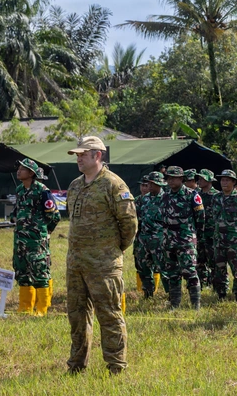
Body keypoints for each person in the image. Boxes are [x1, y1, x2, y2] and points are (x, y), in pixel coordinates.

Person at [64, 136, 138, 374]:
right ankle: (76, 365)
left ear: (97, 155)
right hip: (76, 263)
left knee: (109, 314)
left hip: (104, 264)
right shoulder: (75, 185)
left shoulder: (113, 184)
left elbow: (129, 224)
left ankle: (116, 366)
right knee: (76, 315)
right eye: (77, 155)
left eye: (82, 154)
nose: (78, 159)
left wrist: (112, 250)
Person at [14, 158, 60, 315]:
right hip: (20, 239)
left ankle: (42, 308)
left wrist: (45, 233)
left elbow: (55, 216)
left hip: (36, 240)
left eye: (23, 168)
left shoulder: (42, 190)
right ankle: (25, 308)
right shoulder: (20, 190)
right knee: (22, 272)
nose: (18, 171)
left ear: (31, 173)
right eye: (19, 168)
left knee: (39, 272)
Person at [160, 165, 205, 309]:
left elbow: (200, 218)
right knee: (172, 274)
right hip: (169, 240)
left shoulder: (192, 195)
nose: (171, 181)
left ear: (181, 179)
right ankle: (174, 305)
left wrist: (193, 235)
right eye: (169, 178)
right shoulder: (165, 195)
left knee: (190, 272)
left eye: (174, 178)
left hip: (185, 240)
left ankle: (195, 306)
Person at [213, 170, 237, 302]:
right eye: (222, 180)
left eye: (227, 180)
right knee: (219, 268)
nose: (224, 182)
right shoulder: (216, 198)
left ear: (234, 182)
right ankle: (221, 293)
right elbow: (214, 218)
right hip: (219, 240)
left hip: (235, 241)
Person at [134, 172, 166, 299]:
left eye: (152, 184)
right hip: (143, 239)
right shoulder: (144, 199)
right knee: (143, 268)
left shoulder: (167, 198)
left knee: (164, 268)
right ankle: (148, 294)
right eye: (149, 184)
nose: (149, 186)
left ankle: (172, 296)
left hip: (160, 240)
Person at [195, 169, 221, 291]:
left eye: (202, 179)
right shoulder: (196, 195)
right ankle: (202, 285)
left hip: (212, 234)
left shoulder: (216, 196)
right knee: (199, 261)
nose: (199, 181)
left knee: (214, 261)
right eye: (199, 178)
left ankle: (215, 286)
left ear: (209, 181)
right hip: (199, 233)